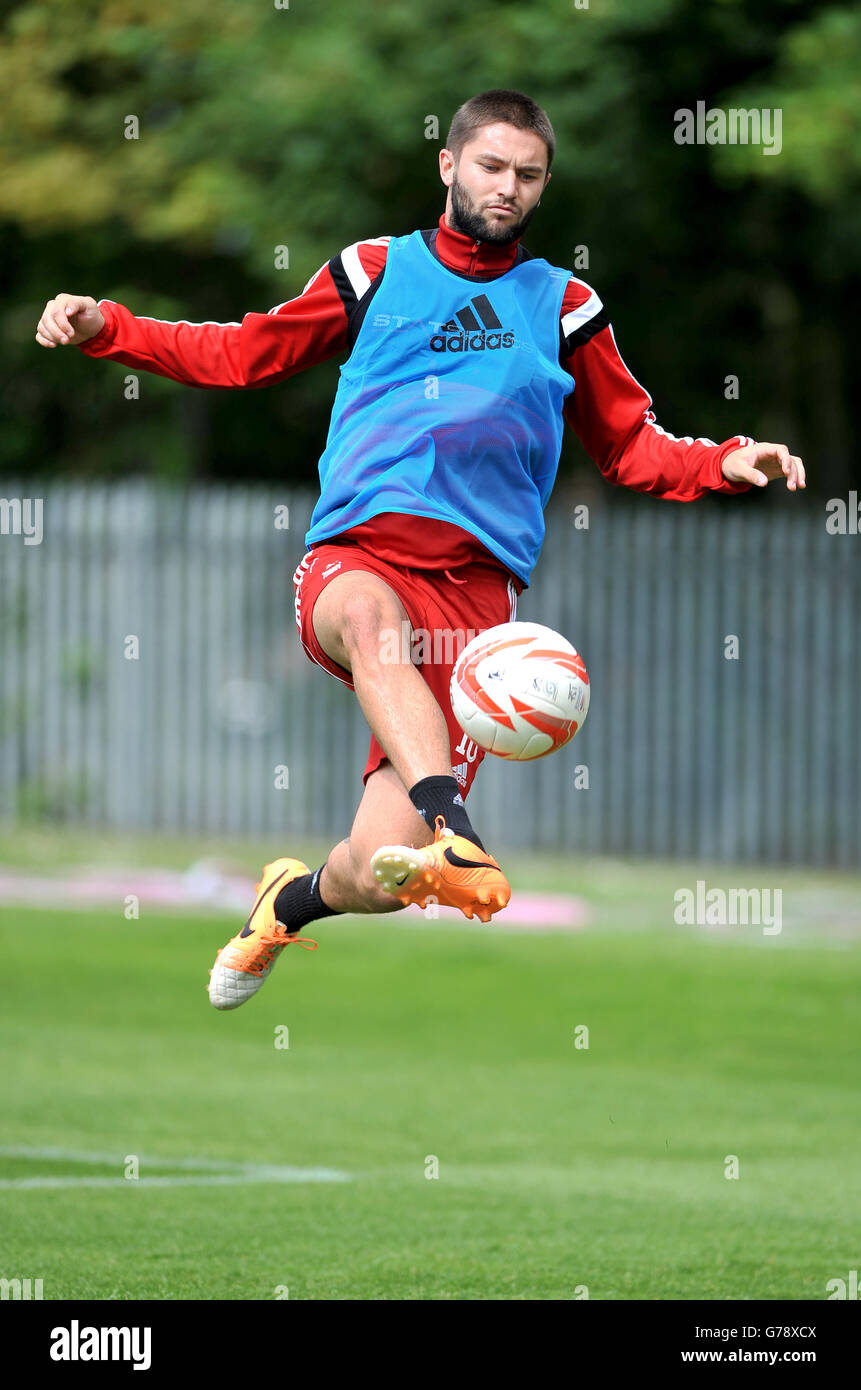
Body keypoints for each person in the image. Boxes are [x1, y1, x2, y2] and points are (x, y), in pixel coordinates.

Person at [35, 89, 805, 1011]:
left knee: (378, 874)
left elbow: (631, 445)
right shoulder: (372, 271)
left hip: (473, 614)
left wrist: (728, 460)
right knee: (367, 618)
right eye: (491, 167)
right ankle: (457, 826)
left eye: (528, 175)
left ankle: (292, 900)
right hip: (356, 559)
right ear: (449, 166)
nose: (507, 188)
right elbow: (239, 354)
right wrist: (106, 328)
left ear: (543, 186)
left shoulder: (564, 304)